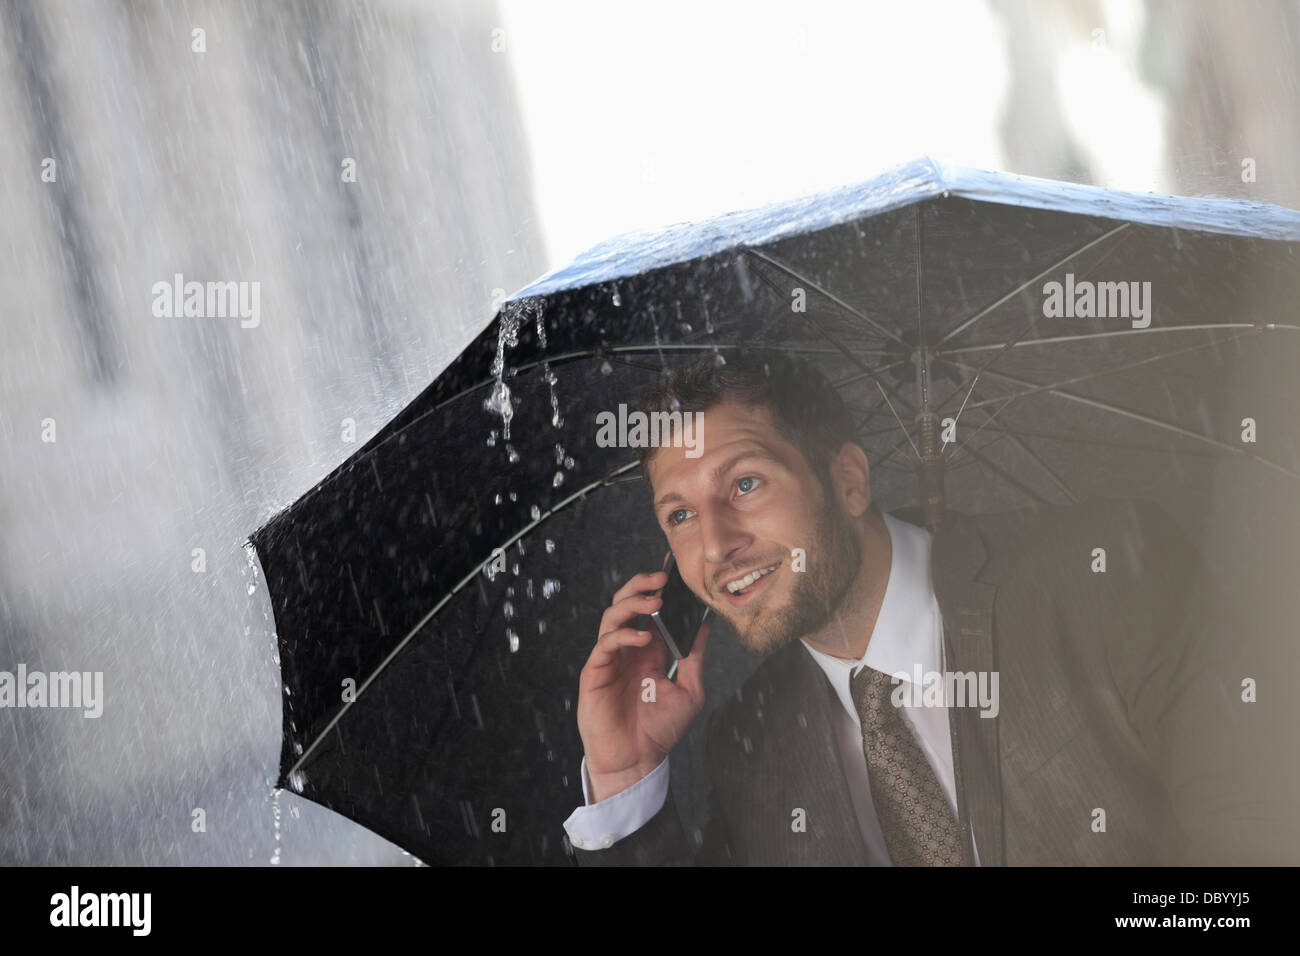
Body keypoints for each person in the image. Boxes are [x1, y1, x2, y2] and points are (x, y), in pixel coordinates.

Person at [563, 350, 1285, 865]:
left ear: (848, 482)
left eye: (746, 484)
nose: (716, 544)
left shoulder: (1105, 579)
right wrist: (625, 777)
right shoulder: (750, 752)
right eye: (680, 517)